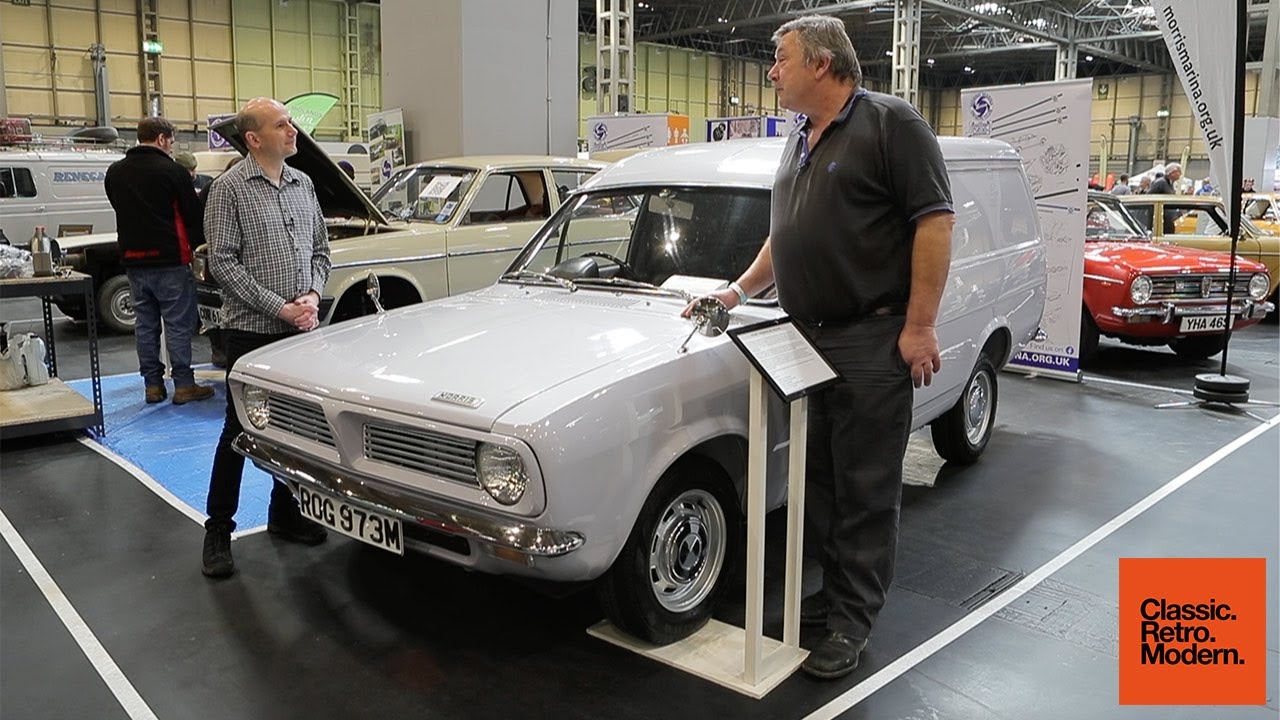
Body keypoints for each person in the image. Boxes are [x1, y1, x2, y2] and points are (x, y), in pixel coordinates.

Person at [686, 15, 953, 679]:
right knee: (821, 483)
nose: (772, 72)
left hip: (871, 337)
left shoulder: (892, 125)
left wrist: (919, 325)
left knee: (865, 488)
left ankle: (852, 620)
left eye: (781, 59)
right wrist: (738, 291)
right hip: (807, 336)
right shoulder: (800, 138)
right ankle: (833, 597)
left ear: (823, 64)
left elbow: (935, 222)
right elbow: (786, 233)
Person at [200, 97, 332, 579]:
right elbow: (223, 264)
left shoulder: (304, 184)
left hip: (300, 332)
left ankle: (285, 513)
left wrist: (313, 295)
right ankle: (218, 530)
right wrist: (280, 308)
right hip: (251, 333)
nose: (293, 131)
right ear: (254, 139)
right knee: (238, 432)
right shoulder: (228, 190)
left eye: (290, 123)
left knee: (295, 429)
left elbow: (321, 251)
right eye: (282, 125)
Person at [103, 117, 215, 406]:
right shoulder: (173, 171)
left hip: (133, 261)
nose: (172, 146)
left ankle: (152, 386)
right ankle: (184, 385)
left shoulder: (115, 172)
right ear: (162, 139)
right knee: (178, 324)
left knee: (145, 324)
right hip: (170, 260)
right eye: (172, 141)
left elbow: (117, 206)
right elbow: (192, 215)